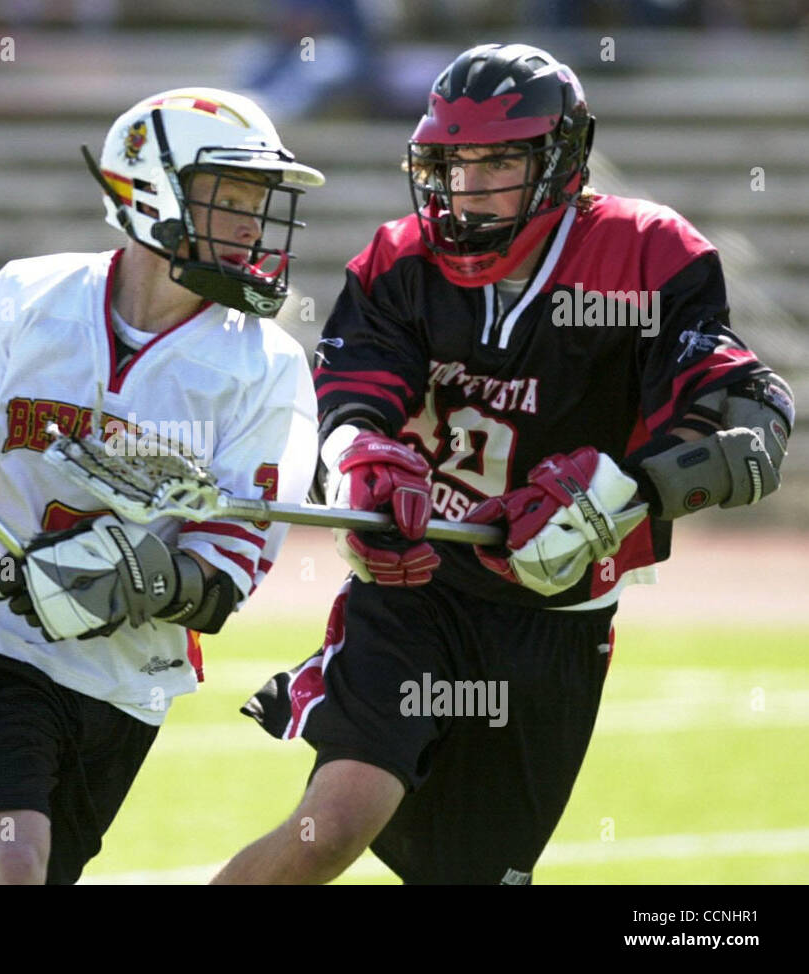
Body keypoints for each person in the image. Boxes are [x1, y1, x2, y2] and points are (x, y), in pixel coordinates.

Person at [213, 43, 794, 885]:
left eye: (499, 158)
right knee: (334, 822)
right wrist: (359, 466)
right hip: (420, 584)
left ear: (560, 159)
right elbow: (347, 393)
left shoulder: (644, 254)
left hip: (555, 611)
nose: (470, 182)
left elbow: (744, 419)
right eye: (453, 160)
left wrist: (621, 493)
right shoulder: (399, 260)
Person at [0, 88, 323, 884]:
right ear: (152, 196)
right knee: (13, 861)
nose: (252, 224)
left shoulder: (267, 367)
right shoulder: (27, 299)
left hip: (125, 683)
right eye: (231, 200)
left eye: (259, 202)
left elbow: (227, 573)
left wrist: (130, 579)